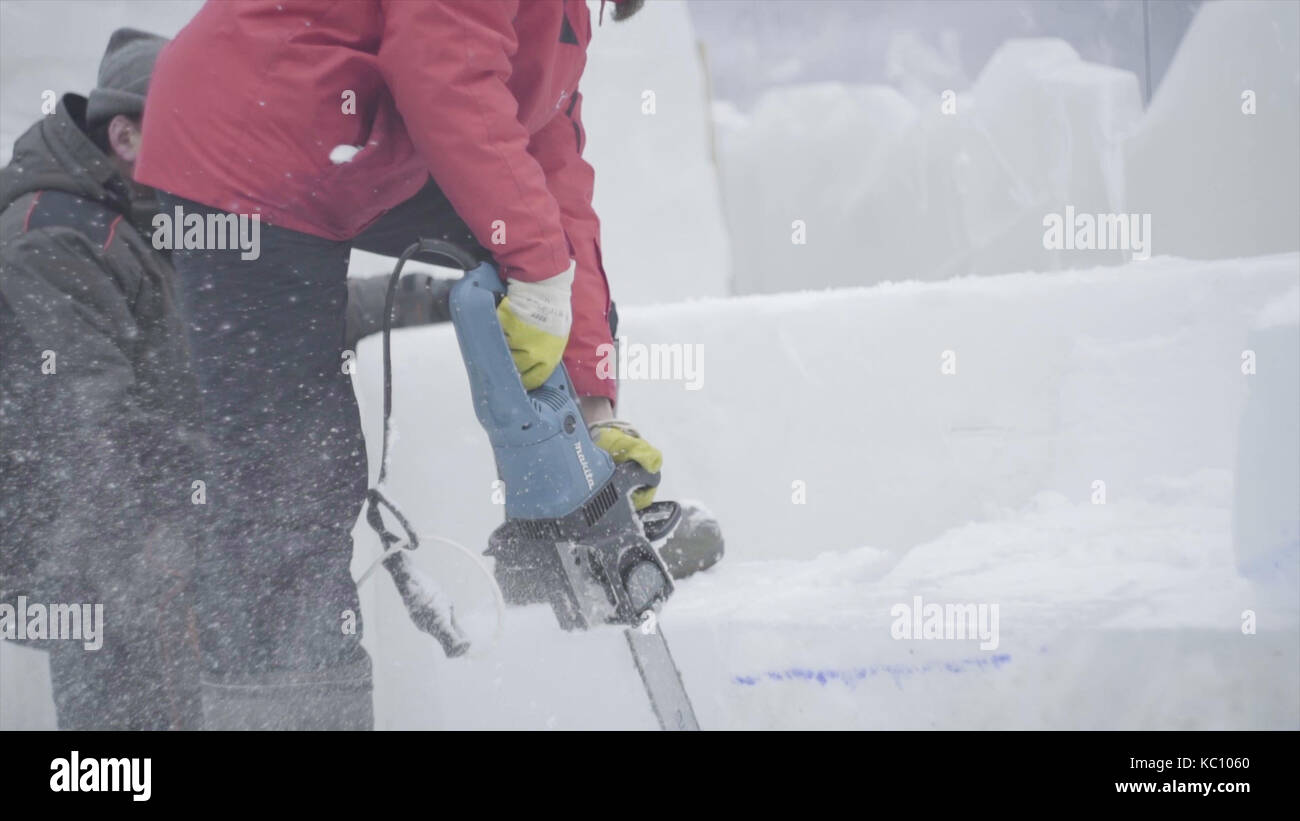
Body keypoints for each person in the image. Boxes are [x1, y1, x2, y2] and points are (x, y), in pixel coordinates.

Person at [135, 0, 656, 729]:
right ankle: (290, 713)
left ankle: (558, 502)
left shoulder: (566, 16)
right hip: (248, 138)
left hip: (360, 139)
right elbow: (442, 64)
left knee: (533, 242)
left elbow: (549, 165)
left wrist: (593, 404)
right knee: (290, 486)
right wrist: (534, 262)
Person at [0, 26, 452, 730]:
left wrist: (435, 297)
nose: (211, 153)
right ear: (126, 138)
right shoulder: (52, 238)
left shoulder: (160, 214)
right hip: (102, 565)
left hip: (170, 546)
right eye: (190, 130)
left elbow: (274, 314)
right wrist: (245, 471)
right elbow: (95, 423)